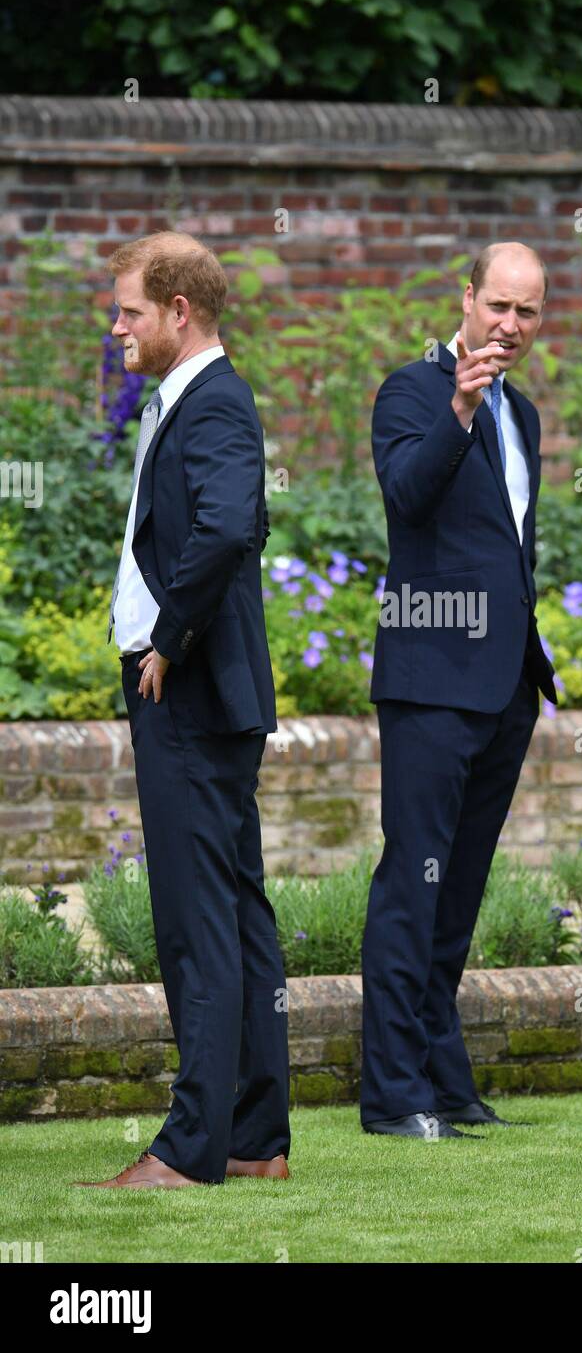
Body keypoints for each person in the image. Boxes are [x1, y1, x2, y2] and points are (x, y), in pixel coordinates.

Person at [76, 231, 290, 1188]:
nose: (114, 323)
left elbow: (227, 526)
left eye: (127, 308)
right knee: (235, 915)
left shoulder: (210, 403)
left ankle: (191, 1150)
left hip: (190, 691)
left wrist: (168, 639)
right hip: (203, 691)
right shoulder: (201, 400)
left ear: (178, 312)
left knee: (196, 923)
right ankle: (252, 1142)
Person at [361, 242, 558, 1139]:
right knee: (414, 880)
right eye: (497, 307)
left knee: (460, 887)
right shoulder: (413, 389)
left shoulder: (526, 415)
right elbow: (407, 496)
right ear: (466, 296)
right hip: (431, 680)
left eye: (527, 312)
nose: (509, 326)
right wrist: (461, 407)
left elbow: (508, 546)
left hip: (506, 684)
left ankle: (443, 1079)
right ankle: (392, 1093)